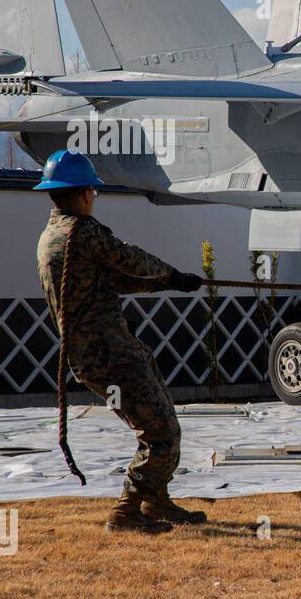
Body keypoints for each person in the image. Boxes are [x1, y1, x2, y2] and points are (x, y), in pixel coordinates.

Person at [34, 150, 207, 534]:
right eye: (93, 191)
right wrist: (173, 275)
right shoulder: (84, 232)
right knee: (160, 432)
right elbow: (131, 261)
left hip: (95, 359)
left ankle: (154, 500)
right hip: (113, 356)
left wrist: (169, 283)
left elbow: (111, 281)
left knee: (157, 425)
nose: (94, 198)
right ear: (83, 194)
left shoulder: (52, 238)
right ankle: (128, 510)